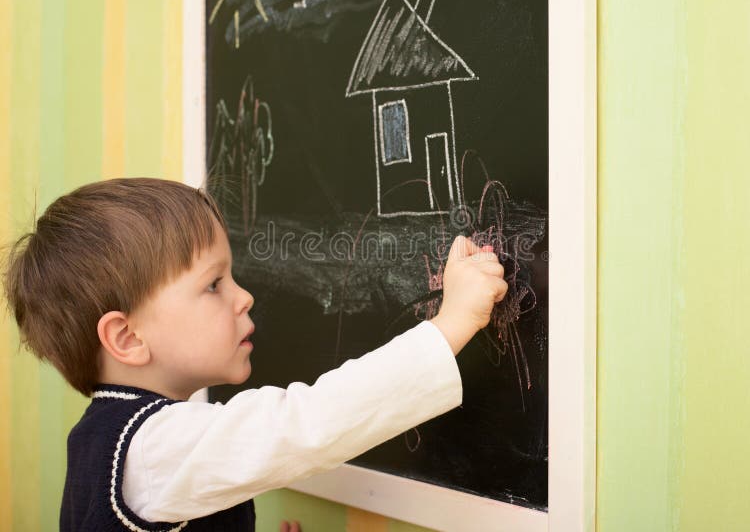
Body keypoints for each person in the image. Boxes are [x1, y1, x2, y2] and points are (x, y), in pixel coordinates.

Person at [2, 178, 508, 531]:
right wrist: (451, 325)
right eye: (213, 284)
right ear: (128, 338)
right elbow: (303, 426)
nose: (243, 296)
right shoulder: (151, 450)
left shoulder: (129, 442)